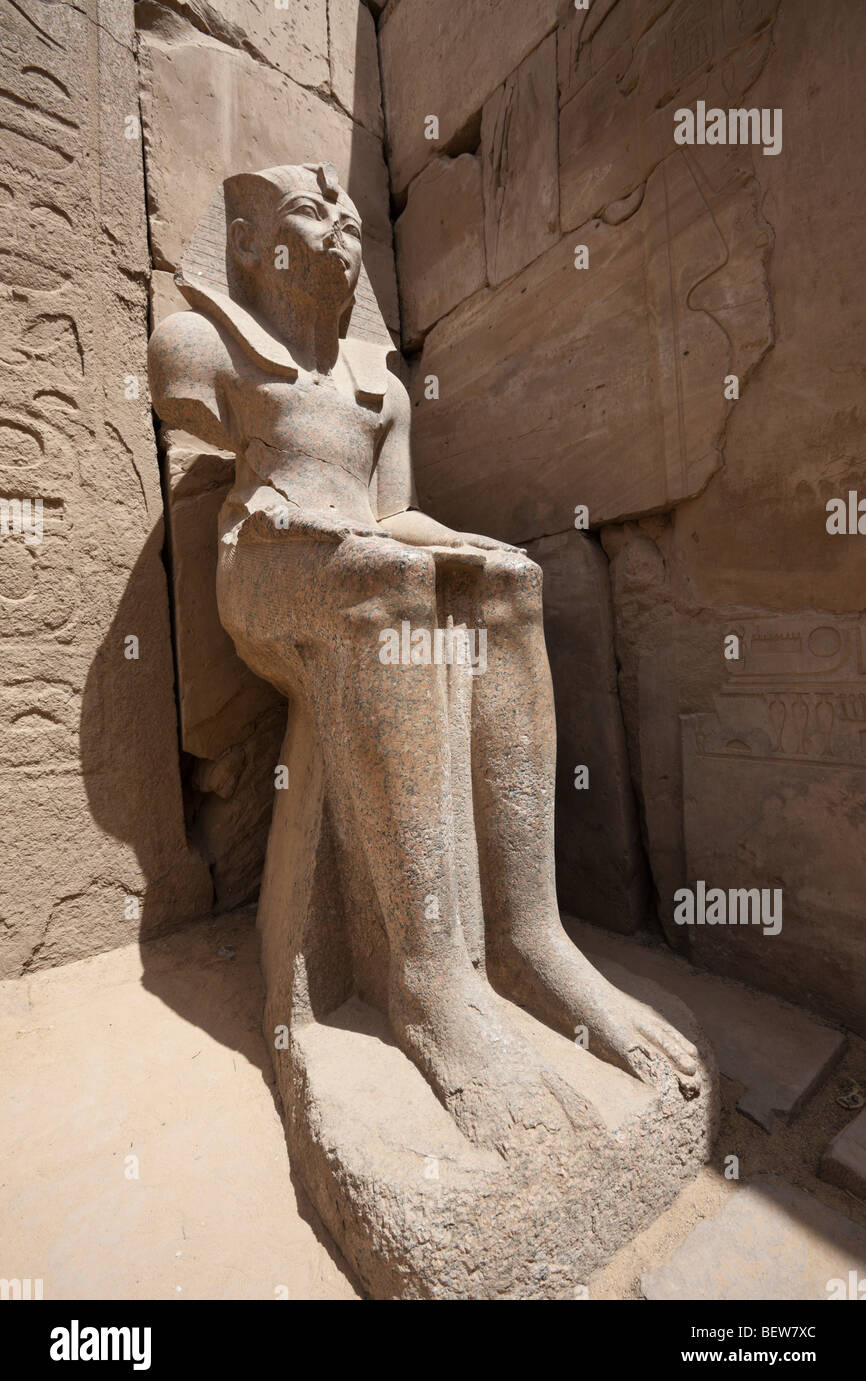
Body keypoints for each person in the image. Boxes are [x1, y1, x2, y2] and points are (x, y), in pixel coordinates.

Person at [148, 162, 698, 1153]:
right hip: (268, 570)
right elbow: (265, 483)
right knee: (385, 586)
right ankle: (426, 982)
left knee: (505, 585)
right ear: (245, 244)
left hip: (354, 555)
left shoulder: (380, 387)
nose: (340, 231)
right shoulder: (205, 343)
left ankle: (531, 939)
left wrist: (470, 547)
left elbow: (394, 513)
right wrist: (363, 540)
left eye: (351, 216)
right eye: (311, 213)